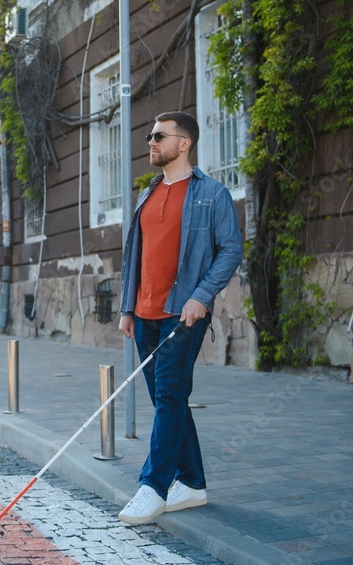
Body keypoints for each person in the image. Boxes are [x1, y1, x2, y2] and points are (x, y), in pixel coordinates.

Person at [117, 111, 243, 525]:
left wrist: (201, 297)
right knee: (167, 399)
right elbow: (134, 256)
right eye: (150, 136)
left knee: (169, 395)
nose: (151, 143)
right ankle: (191, 483)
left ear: (184, 143)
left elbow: (231, 250)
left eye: (159, 136)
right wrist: (127, 308)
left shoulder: (212, 194)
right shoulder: (148, 193)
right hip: (145, 313)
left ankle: (153, 487)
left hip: (183, 313)